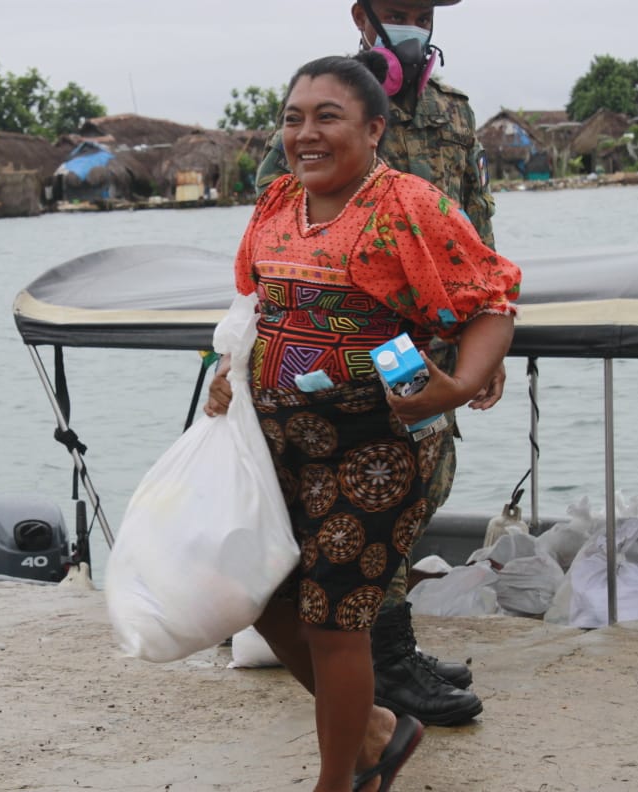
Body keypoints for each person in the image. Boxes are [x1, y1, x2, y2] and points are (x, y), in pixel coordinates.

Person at [205, 52, 520, 792]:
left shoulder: (409, 204)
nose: (305, 134)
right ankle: (377, 731)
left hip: (376, 446)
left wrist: (461, 382)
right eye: (293, 118)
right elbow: (254, 308)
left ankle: (339, 781)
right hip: (280, 444)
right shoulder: (277, 202)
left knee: (336, 622)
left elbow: (490, 300)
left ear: (375, 129)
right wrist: (228, 374)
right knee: (258, 599)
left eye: (328, 117)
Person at [248, 0, 498, 727]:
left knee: (428, 492)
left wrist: (484, 356)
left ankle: (381, 658)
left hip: (436, 340)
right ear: (363, 17)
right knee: (367, 519)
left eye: (422, 10)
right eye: (397, 9)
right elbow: (278, 205)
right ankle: (385, 662)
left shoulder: (453, 111)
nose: (414, 21)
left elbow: (478, 219)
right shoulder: (327, 103)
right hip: (350, 354)